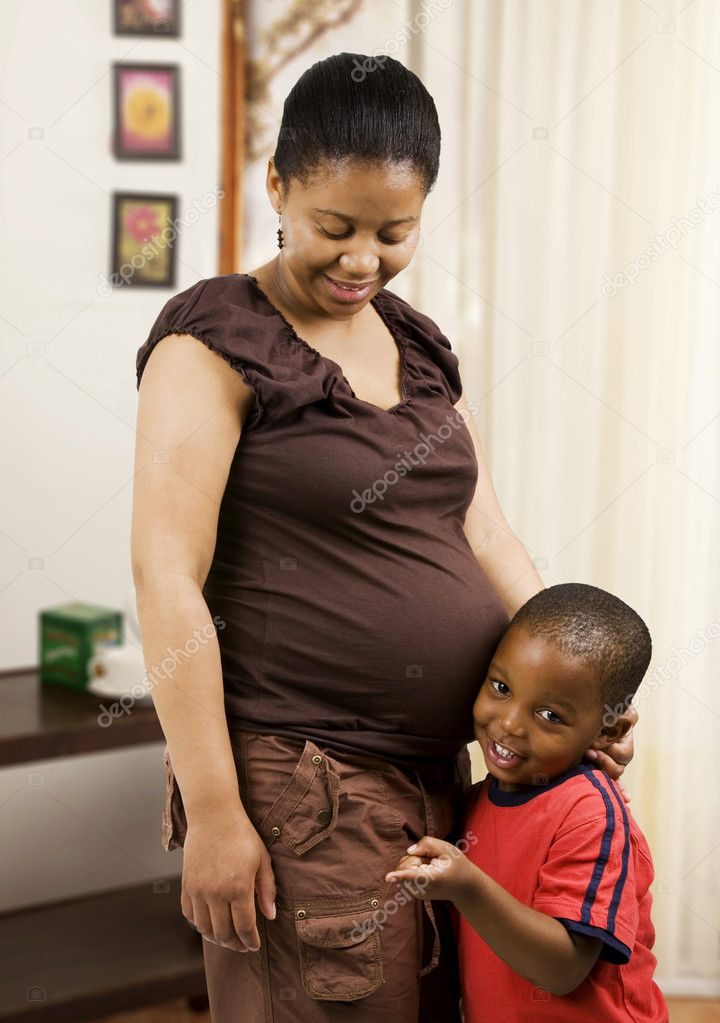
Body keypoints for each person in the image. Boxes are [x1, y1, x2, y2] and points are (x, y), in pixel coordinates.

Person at [131, 52, 637, 1023]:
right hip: (300, 787)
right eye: (336, 227)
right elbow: (165, 575)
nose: (363, 260)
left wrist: (568, 700)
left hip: (444, 785)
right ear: (276, 186)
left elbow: (489, 536)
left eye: (394, 232)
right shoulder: (215, 339)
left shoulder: (418, 344)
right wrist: (217, 810)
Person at [385, 582, 668, 1022]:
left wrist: (467, 885)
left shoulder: (590, 813)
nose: (510, 723)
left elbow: (563, 969)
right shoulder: (479, 799)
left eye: (550, 715)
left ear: (608, 732)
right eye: (501, 687)